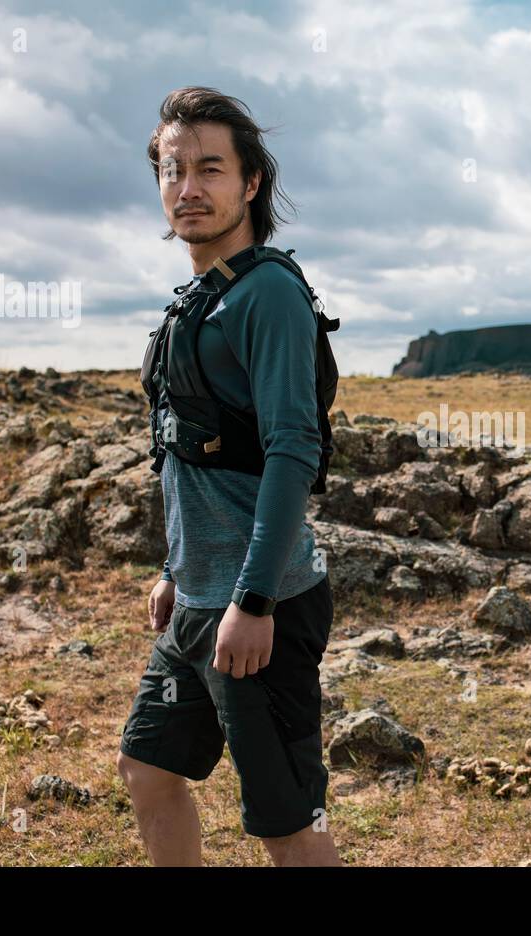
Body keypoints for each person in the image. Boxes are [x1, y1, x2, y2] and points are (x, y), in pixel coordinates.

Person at [116, 86, 341, 867]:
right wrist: (176, 567)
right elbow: (195, 450)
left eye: (210, 168)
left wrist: (253, 599)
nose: (188, 186)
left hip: (260, 607)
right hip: (197, 601)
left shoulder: (269, 293)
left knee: (287, 821)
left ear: (250, 184)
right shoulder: (197, 300)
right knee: (148, 767)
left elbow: (292, 449)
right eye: (172, 169)